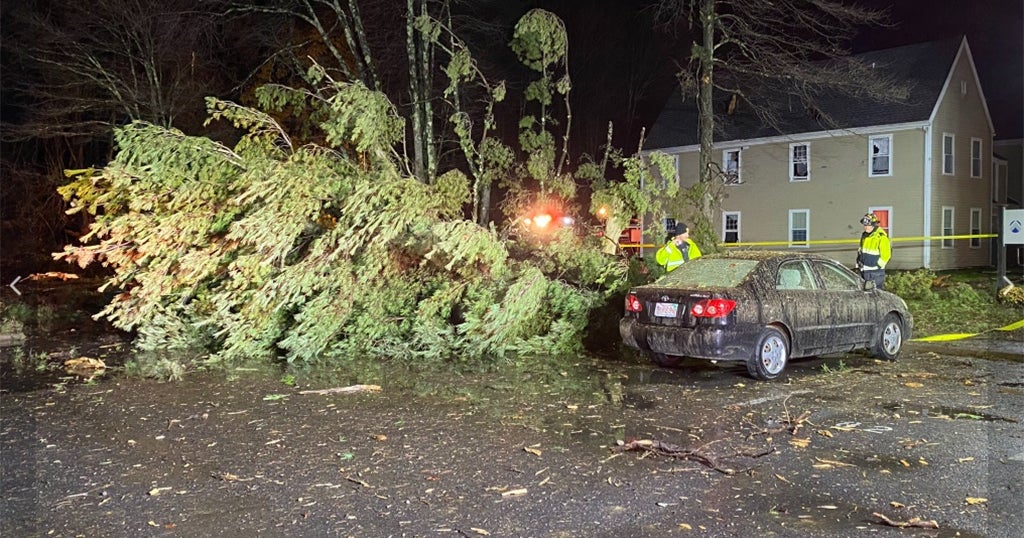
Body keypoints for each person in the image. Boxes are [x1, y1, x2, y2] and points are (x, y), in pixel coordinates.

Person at [856, 213, 891, 289]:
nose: (866, 227)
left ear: (873, 225)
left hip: (875, 273)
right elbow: (861, 251)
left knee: (874, 294)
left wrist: (877, 266)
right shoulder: (865, 236)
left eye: (868, 225)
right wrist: (859, 262)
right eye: (865, 225)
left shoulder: (881, 237)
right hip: (863, 271)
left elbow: (886, 256)